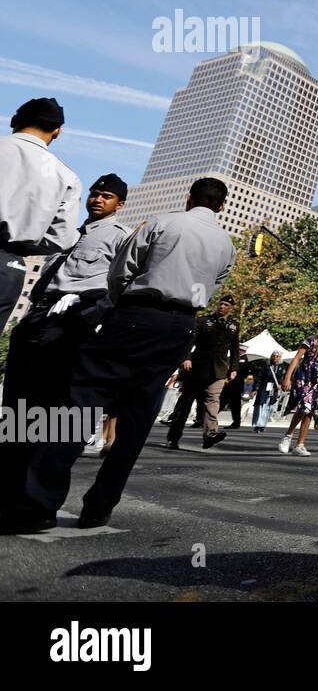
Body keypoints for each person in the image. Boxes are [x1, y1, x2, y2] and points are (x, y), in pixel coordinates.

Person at [1, 177, 236, 533]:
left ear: (189, 197)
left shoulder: (160, 222)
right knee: (138, 418)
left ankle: (39, 503)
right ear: (221, 206)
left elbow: (122, 269)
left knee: (81, 401)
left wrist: (120, 304)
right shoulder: (226, 244)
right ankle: (100, 506)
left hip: (135, 314)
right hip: (181, 325)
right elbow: (216, 283)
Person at [0, 174, 131, 513]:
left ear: (120, 204)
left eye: (107, 197)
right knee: (20, 403)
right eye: (95, 194)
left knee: (60, 404)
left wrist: (90, 310)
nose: (98, 200)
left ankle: (37, 497)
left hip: (77, 318)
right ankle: (10, 484)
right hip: (41, 314)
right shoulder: (70, 234)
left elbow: (122, 285)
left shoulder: (120, 238)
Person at [0, 98, 82, 330]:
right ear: (57, 131)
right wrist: (23, 245)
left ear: (15, 120)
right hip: (8, 264)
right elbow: (61, 239)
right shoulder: (66, 176)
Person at [164, 295, 240, 451]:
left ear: (230, 308)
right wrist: (187, 358)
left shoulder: (233, 325)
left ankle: (210, 436)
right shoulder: (203, 321)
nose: (222, 306)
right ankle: (173, 437)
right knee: (185, 403)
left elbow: (234, 349)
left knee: (212, 402)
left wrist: (233, 368)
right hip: (198, 368)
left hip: (218, 370)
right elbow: (190, 340)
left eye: (226, 305)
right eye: (221, 303)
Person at [278, 321, 318, 456]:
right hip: (304, 376)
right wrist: (287, 377)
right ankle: (288, 436)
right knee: (305, 406)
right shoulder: (311, 340)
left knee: (309, 410)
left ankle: (300, 444)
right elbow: (297, 358)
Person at [252, 350, 286, 432]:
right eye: (274, 356)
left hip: (274, 389)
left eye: (277, 356)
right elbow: (259, 377)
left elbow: (282, 378)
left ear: (280, 358)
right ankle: (258, 425)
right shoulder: (266, 367)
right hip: (264, 388)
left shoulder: (282, 367)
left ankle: (263, 424)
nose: (275, 358)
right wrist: (255, 388)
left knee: (269, 407)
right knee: (261, 406)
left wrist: (280, 384)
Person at [220, 346, 251, 429]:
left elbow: (240, 372)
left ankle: (236, 422)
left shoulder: (243, 360)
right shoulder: (234, 358)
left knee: (231, 404)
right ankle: (236, 422)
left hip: (235, 385)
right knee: (229, 403)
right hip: (230, 384)